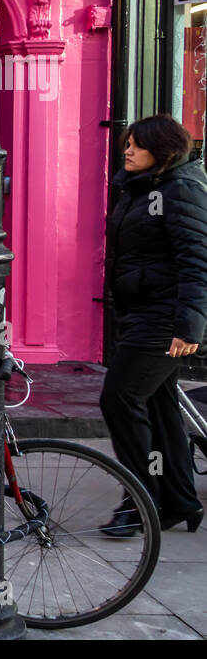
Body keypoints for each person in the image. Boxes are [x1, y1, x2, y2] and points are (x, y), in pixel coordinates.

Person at [100, 115, 207, 535]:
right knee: (159, 408)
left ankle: (138, 501)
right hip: (141, 314)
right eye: (126, 143)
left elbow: (197, 263)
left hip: (164, 321)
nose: (127, 150)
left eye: (136, 145)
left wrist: (190, 328)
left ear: (161, 151)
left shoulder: (182, 190)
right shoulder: (140, 188)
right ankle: (179, 500)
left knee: (120, 400)